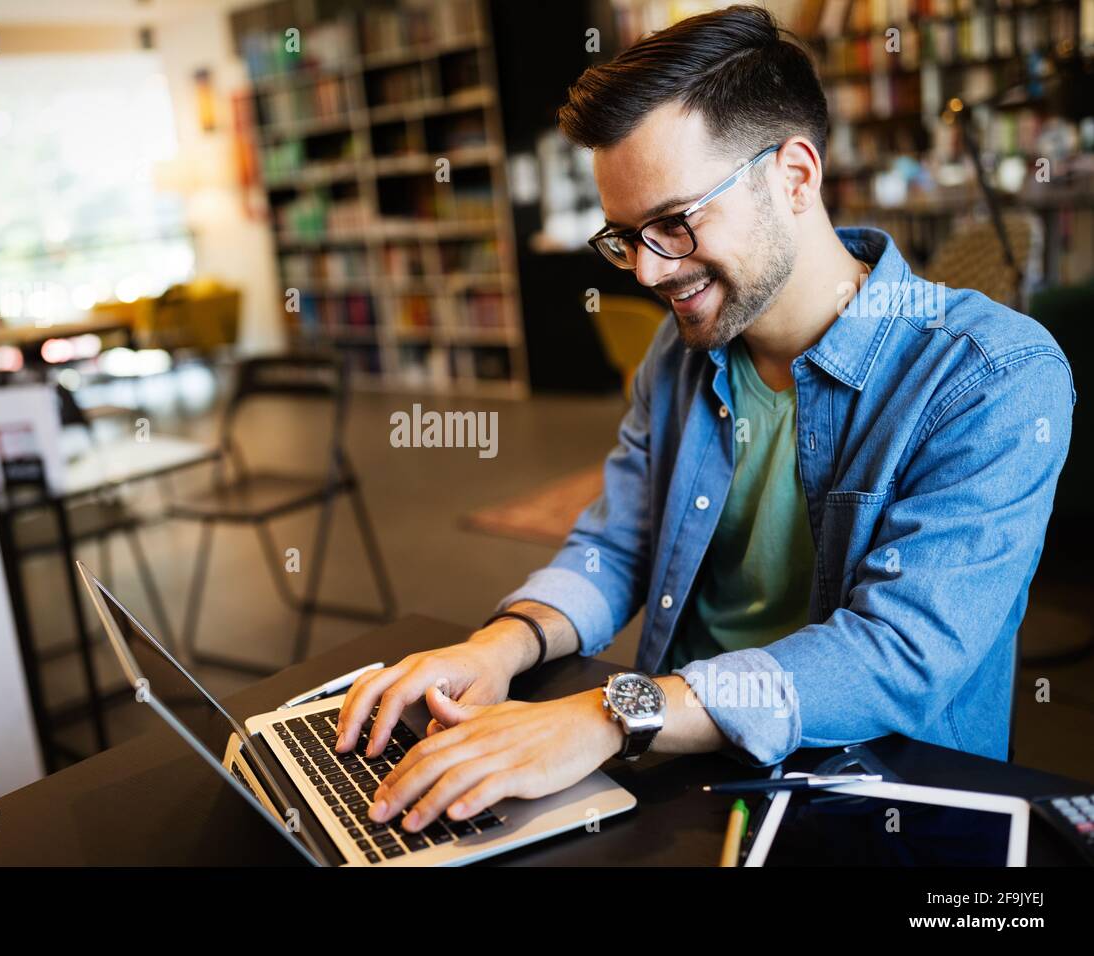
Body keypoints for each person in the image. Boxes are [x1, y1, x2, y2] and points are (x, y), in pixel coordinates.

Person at [337, 5, 1076, 837]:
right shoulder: (683, 350)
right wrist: (496, 648)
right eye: (624, 238)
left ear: (795, 177)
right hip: (679, 759)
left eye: (676, 223)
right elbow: (618, 544)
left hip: (873, 798)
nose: (649, 270)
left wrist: (609, 716)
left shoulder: (994, 375)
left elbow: (897, 654)